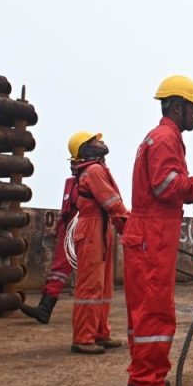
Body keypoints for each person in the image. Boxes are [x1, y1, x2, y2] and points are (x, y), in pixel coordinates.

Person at [123, 76, 193, 386]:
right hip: (152, 234)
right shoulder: (167, 137)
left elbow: (169, 184)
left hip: (150, 232)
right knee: (155, 312)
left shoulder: (161, 137)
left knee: (144, 312)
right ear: (178, 107)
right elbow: (166, 185)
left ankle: (143, 376)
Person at [66, 131, 129, 355]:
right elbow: (111, 202)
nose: (101, 142)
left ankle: (100, 332)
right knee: (90, 287)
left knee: (102, 287)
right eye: (95, 141)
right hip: (92, 229)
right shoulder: (93, 171)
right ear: (85, 148)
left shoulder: (98, 169)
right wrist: (130, 226)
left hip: (101, 230)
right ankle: (83, 337)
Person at [19, 159, 84, 324]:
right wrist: (57, 228)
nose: (72, 166)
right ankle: (44, 309)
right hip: (68, 231)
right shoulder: (70, 183)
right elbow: (65, 208)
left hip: (85, 229)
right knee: (58, 270)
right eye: (71, 163)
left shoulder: (92, 179)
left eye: (75, 163)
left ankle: (90, 317)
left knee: (89, 274)